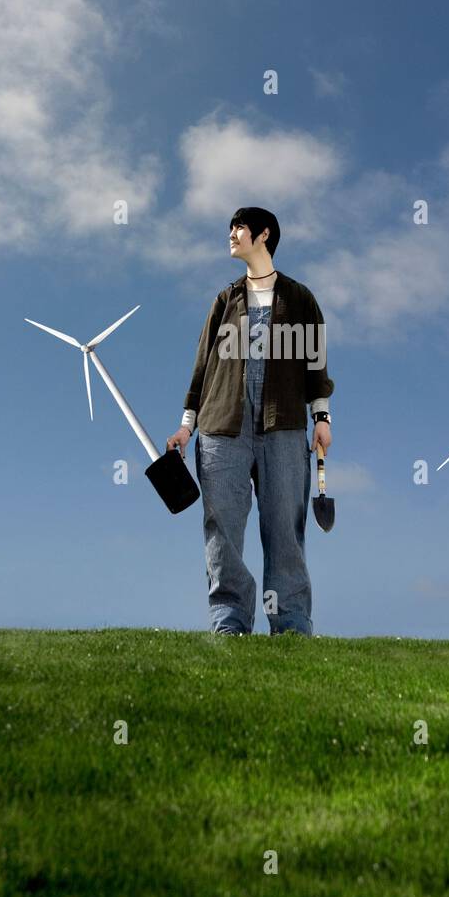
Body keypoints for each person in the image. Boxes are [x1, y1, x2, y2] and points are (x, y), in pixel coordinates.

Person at [167, 207, 334, 636]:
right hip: (224, 424)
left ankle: (292, 626)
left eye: (238, 227)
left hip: (284, 425)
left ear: (263, 235)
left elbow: (315, 364)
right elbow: (202, 367)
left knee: (285, 527)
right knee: (221, 527)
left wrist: (322, 417)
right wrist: (187, 426)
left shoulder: (299, 298)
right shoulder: (225, 300)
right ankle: (230, 623)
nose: (231, 234)